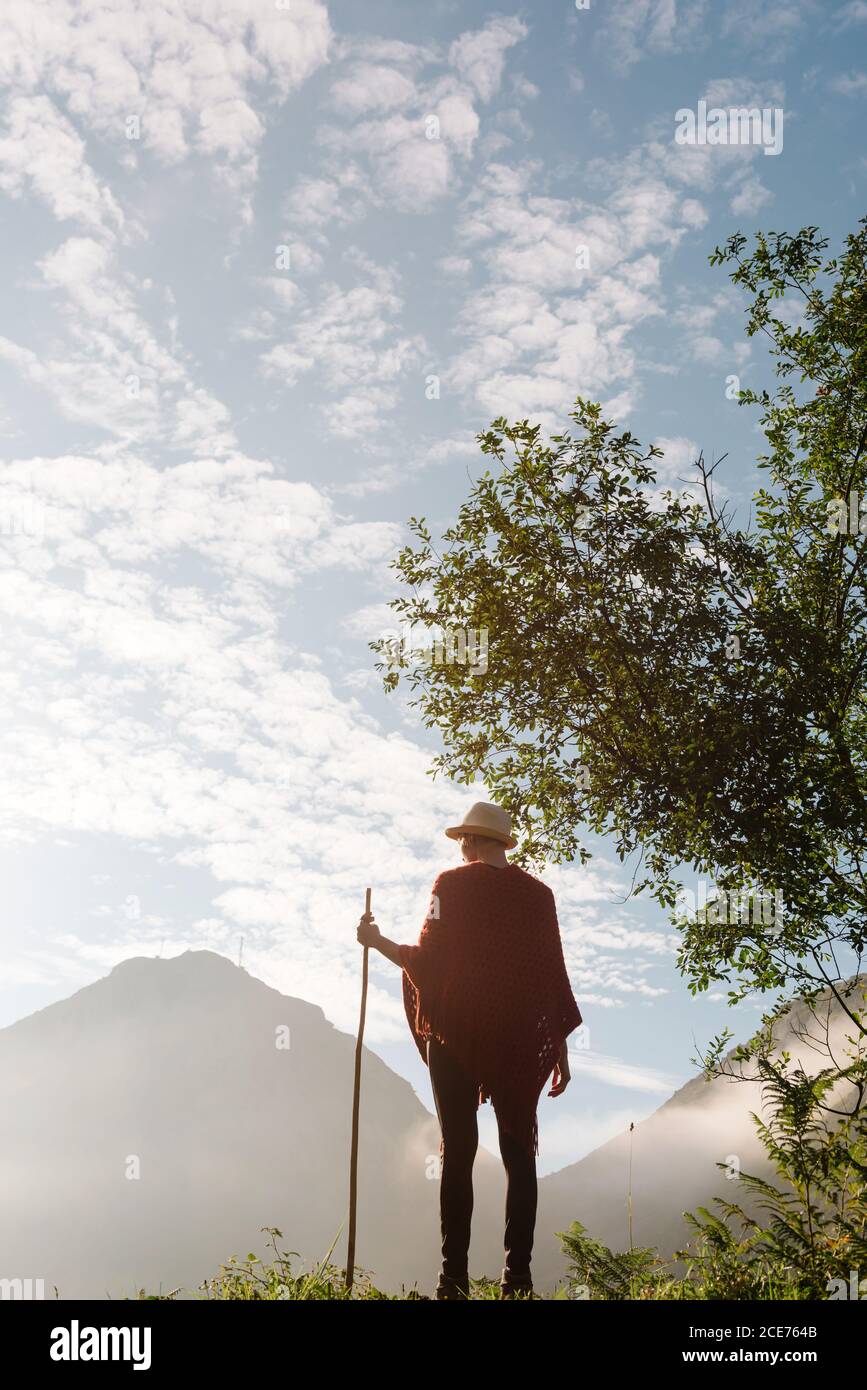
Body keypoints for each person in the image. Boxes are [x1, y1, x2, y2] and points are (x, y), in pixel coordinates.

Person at [357, 800, 583, 1300]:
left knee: (456, 1153)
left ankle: (452, 1281)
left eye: (463, 840)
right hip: (520, 1041)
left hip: (455, 1037)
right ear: (502, 842)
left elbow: (427, 961)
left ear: (472, 841)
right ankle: (516, 1281)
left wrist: (376, 941)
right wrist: (559, 1046)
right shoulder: (539, 897)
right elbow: (550, 980)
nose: (460, 849)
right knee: (519, 1155)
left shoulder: (449, 887)